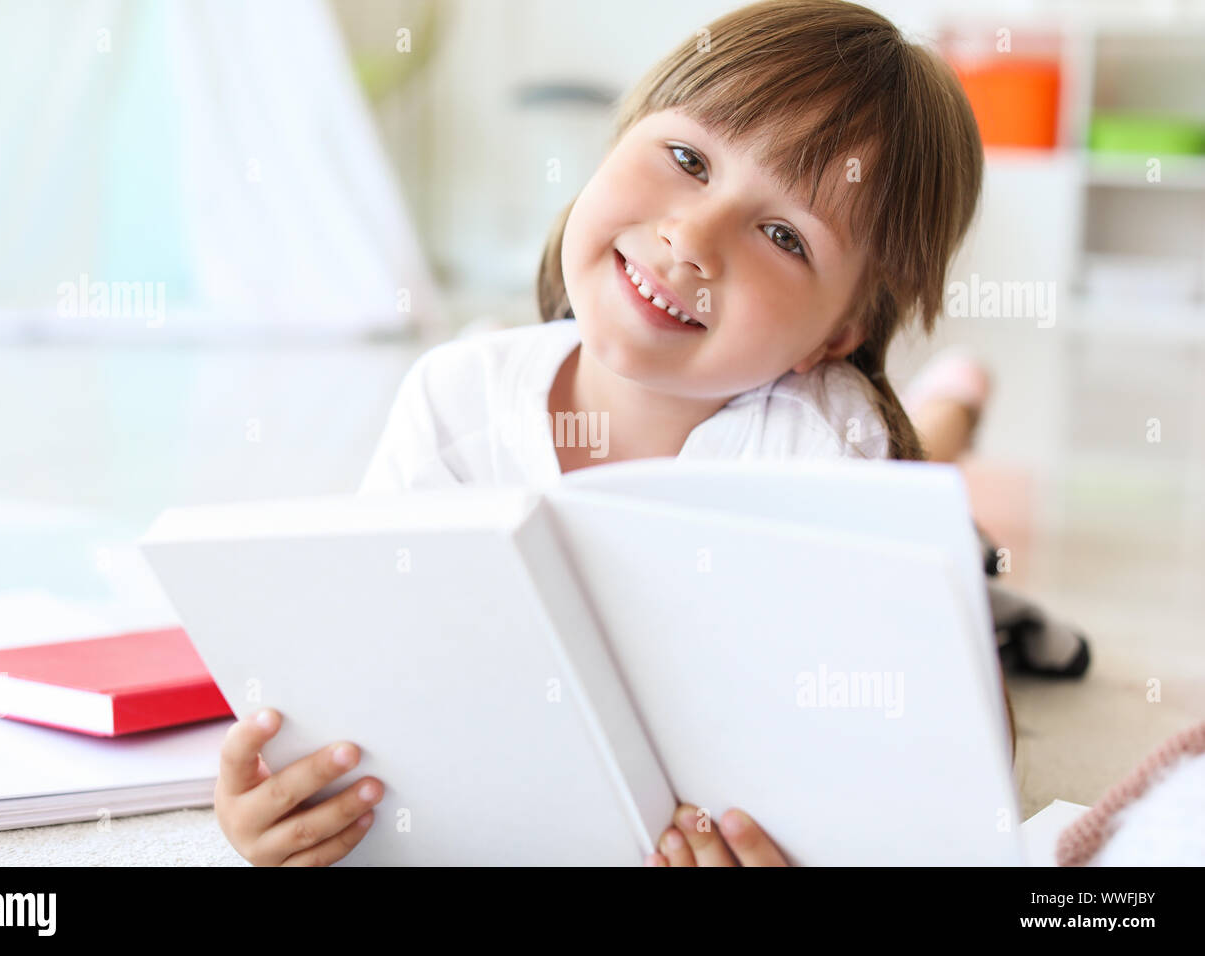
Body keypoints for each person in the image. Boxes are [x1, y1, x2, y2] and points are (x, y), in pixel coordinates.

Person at [214, 0, 995, 866]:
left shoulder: (828, 450)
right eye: (689, 158)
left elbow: (923, 770)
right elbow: (363, 674)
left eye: (783, 235)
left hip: (880, 451)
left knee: (932, 468)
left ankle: (952, 402)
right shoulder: (453, 397)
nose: (690, 240)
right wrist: (290, 798)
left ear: (837, 334)